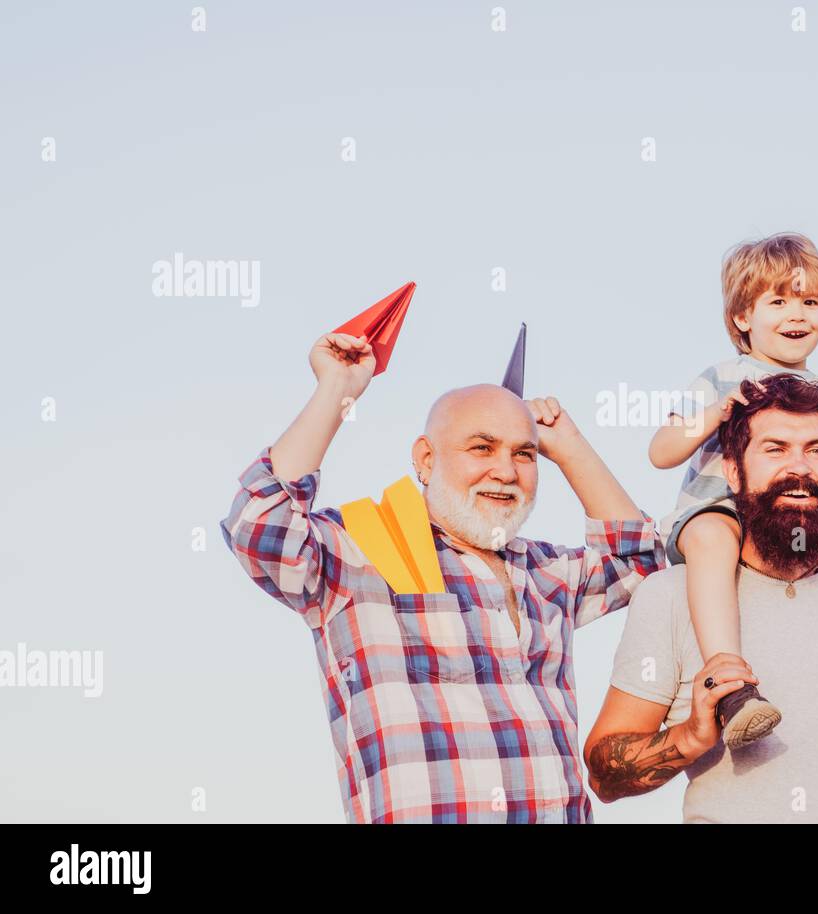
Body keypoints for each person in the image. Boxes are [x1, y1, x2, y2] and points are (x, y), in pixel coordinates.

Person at [221, 329, 665, 822]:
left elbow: (640, 564)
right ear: (426, 460)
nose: (506, 470)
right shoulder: (360, 551)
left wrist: (571, 448)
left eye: (523, 453)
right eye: (482, 447)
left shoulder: (545, 572)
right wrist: (337, 389)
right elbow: (259, 525)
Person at [588, 374, 818, 823]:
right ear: (732, 471)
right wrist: (690, 736)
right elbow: (603, 779)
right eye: (775, 449)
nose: (798, 468)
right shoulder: (671, 596)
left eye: (817, 451)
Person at [650, 234, 818, 748]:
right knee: (713, 537)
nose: (797, 314)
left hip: (796, 518)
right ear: (742, 318)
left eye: (811, 302)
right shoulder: (722, 376)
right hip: (721, 512)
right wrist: (715, 413)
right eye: (778, 301)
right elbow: (662, 450)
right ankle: (730, 682)